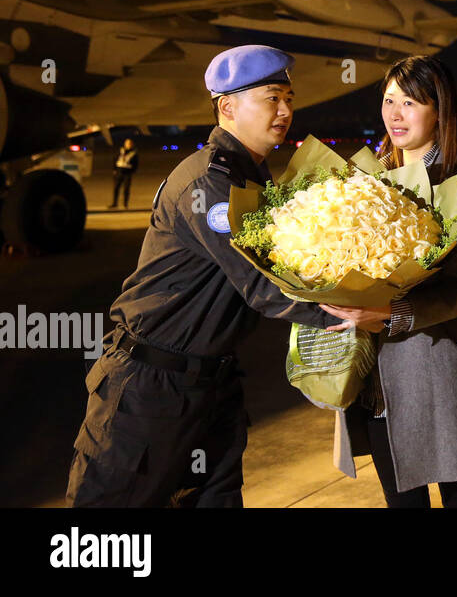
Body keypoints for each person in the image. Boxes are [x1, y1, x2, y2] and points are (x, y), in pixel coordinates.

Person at [67, 45, 334, 507]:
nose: (286, 110)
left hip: (213, 385)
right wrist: (350, 313)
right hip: (150, 385)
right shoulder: (208, 184)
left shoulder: (252, 177)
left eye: (289, 97)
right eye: (272, 97)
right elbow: (261, 284)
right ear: (227, 107)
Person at [320, 56, 457, 508]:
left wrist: (389, 313)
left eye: (410, 103)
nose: (395, 115)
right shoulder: (366, 178)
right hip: (377, 381)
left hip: (436, 368)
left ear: (441, 110)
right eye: (388, 100)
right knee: (402, 502)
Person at [108, 138, 139, 208]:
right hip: (119, 172)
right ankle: (114, 203)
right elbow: (115, 159)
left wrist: (132, 171)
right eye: (127, 143)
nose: (128, 145)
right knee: (116, 188)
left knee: (126, 189)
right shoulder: (121, 151)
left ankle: (125, 204)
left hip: (127, 173)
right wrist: (114, 169)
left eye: (130, 143)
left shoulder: (134, 153)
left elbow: (136, 164)